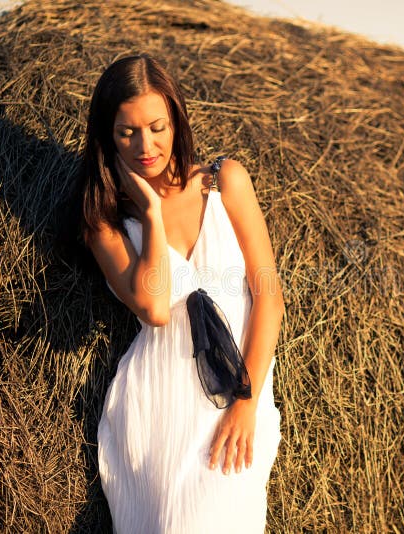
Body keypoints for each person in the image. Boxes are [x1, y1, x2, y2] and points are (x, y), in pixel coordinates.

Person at [75, 53, 285, 533]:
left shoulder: (225, 182)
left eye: (156, 127)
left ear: (177, 120)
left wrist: (246, 403)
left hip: (238, 397)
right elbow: (154, 308)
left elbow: (269, 297)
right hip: (156, 410)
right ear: (108, 135)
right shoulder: (105, 223)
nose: (145, 145)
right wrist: (149, 212)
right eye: (127, 132)